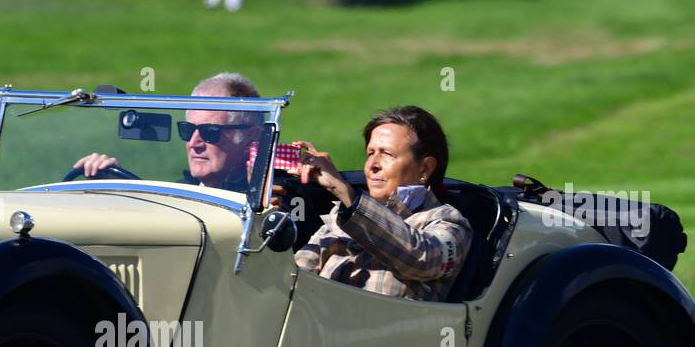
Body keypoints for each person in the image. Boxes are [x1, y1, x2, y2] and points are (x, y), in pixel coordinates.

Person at [290, 106, 472, 302]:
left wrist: (346, 194)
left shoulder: (449, 222)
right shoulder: (340, 213)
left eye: (387, 154)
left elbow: (421, 259)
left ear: (425, 168)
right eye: (370, 153)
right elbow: (293, 279)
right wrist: (265, 215)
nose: (372, 165)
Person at [71, 72, 262, 192]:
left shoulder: (271, 200)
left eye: (210, 132)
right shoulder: (177, 194)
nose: (193, 143)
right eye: (187, 130)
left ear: (249, 138)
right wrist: (114, 191)